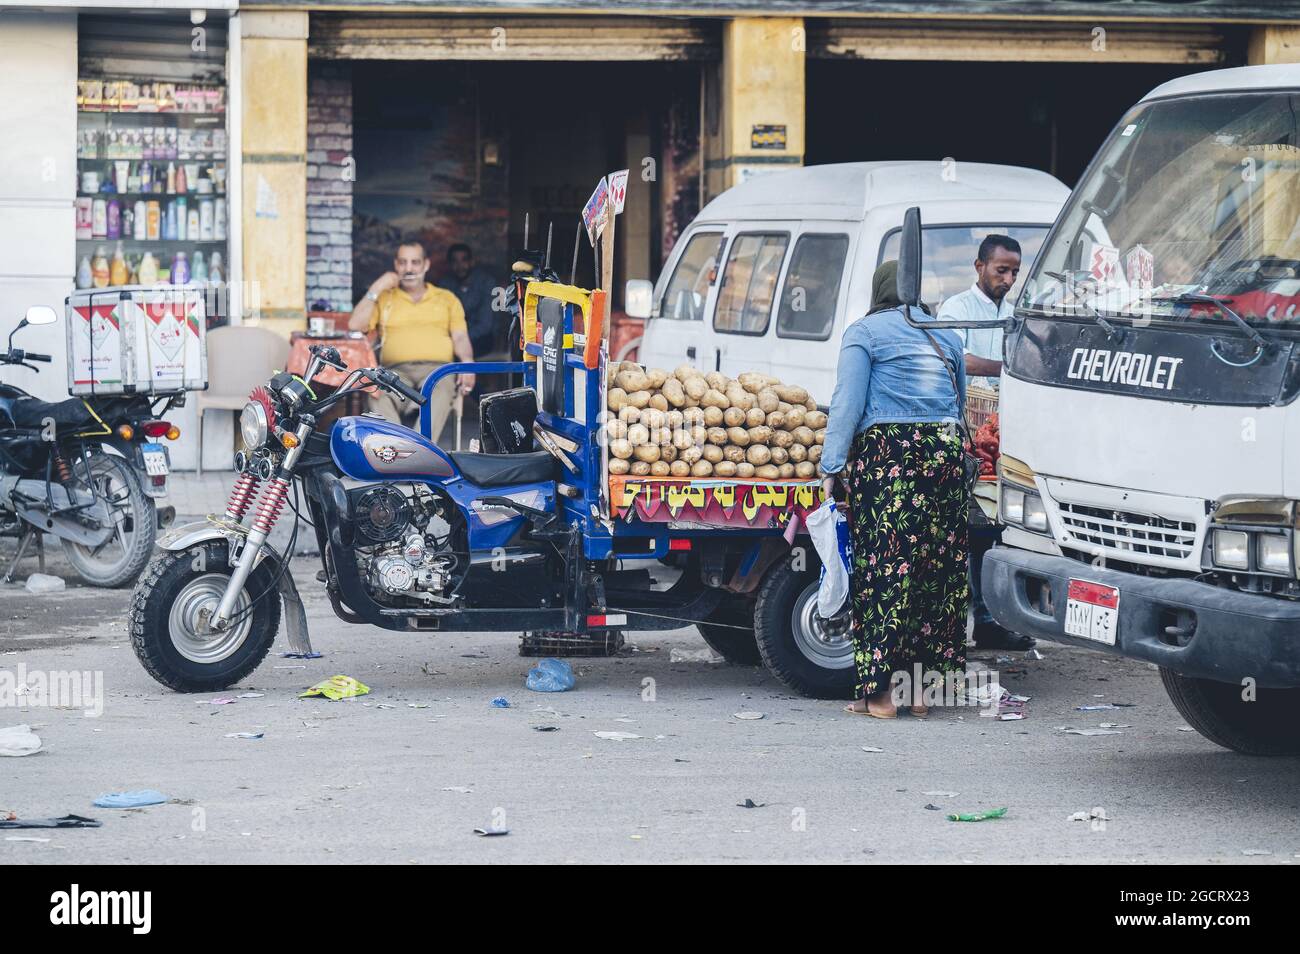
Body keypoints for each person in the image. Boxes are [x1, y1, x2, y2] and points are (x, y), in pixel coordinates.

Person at [821, 260, 971, 720]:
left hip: (891, 460)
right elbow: (960, 402)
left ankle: (882, 697)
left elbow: (848, 402)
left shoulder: (865, 333)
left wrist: (831, 466)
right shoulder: (947, 334)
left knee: (886, 574)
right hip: (944, 458)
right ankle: (920, 694)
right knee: (935, 575)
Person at [938, 235, 1035, 652]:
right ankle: (967, 621)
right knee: (971, 529)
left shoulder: (1015, 314)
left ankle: (991, 619)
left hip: (1002, 434)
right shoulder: (956, 309)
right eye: (1002, 270)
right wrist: (1008, 368)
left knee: (997, 530)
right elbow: (956, 358)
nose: (1009, 279)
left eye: (1014, 271)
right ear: (979, 266)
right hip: (966, 431)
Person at [350, 240, 475, 442]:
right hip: (396, 372)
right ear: (396, 265)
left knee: (441, 390)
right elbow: (354, 325)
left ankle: (419, 450)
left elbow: (460, 336)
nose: (409, 269)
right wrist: (377, 287)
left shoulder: (446, 298)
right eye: (403, 262)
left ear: (426, 265)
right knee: (377, 394)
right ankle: (400, 448)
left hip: (438, 370)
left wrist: (468, 362)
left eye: (415, 262)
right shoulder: (385, 298)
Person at [438, 243, 499, 363]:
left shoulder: (486, 282)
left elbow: (485, 325)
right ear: (450, 264)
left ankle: (466, 381)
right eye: (455, 261)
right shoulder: (445, 284)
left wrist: (459, 339)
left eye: (464, 260)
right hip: (452, 338)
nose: (460, 266)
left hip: (481, 339)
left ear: (472, 262)